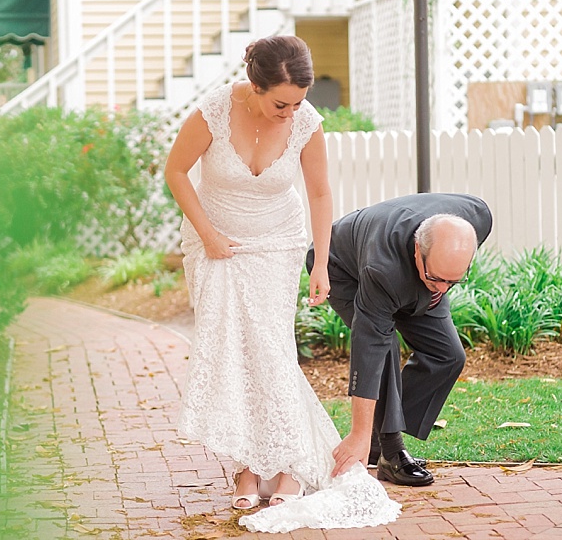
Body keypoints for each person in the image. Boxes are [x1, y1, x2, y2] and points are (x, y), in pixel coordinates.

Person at [165, 35, 400, 533]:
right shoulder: (214, 110)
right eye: (281, 103)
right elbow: (176, 171)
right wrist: (208, 234)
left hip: (276, 242)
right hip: (213, 242)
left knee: (271, 350)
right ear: (254, 86)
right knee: (231, 351)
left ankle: (290, 464)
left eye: (298, 102)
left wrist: (319, 264)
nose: (291, 112)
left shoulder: (306, 123)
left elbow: (319, 192)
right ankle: (249, 467)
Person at [306, 193, 493, 487]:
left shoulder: (478, 216)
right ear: (418, 251)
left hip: (409, 274)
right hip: (341, 266)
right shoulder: (383, 269)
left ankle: (380, 439)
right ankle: (391, 451)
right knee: (385, 348)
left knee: (448, 356)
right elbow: (370, 348)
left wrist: (436, 282)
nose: (444, 289)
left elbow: (441, 278)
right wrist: (358, 432)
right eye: (437, 279)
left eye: (453, 282)